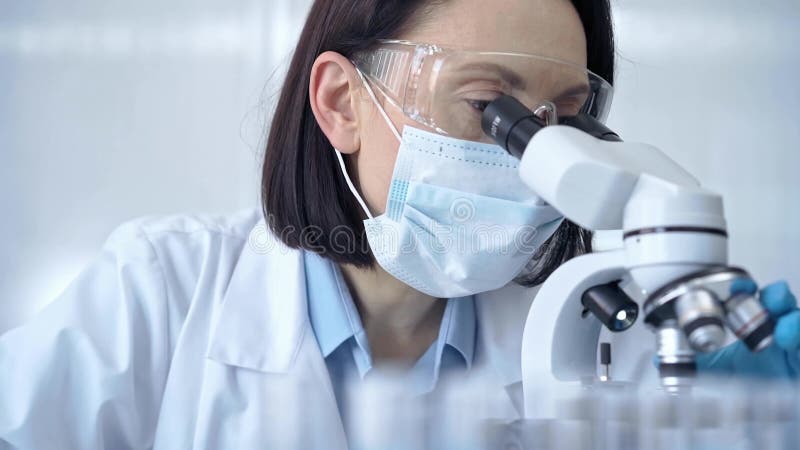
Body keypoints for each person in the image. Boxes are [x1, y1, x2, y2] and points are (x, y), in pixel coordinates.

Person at [0, 0, 797, 448]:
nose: (536, 161)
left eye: (565, 119)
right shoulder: (157, 296)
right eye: (492, 110)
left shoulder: (599, 350)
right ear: (341, 104)